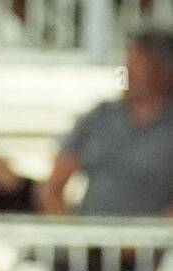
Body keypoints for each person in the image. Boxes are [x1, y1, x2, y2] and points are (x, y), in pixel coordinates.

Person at [38, 30, 173, 217]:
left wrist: (147, 240)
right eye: (127, 63)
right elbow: (52, 187)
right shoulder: (100, 117)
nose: (128, 73)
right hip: (91, 239)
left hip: (157, 243)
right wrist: (74, 237)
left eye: (139, 63)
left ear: (165, 71)